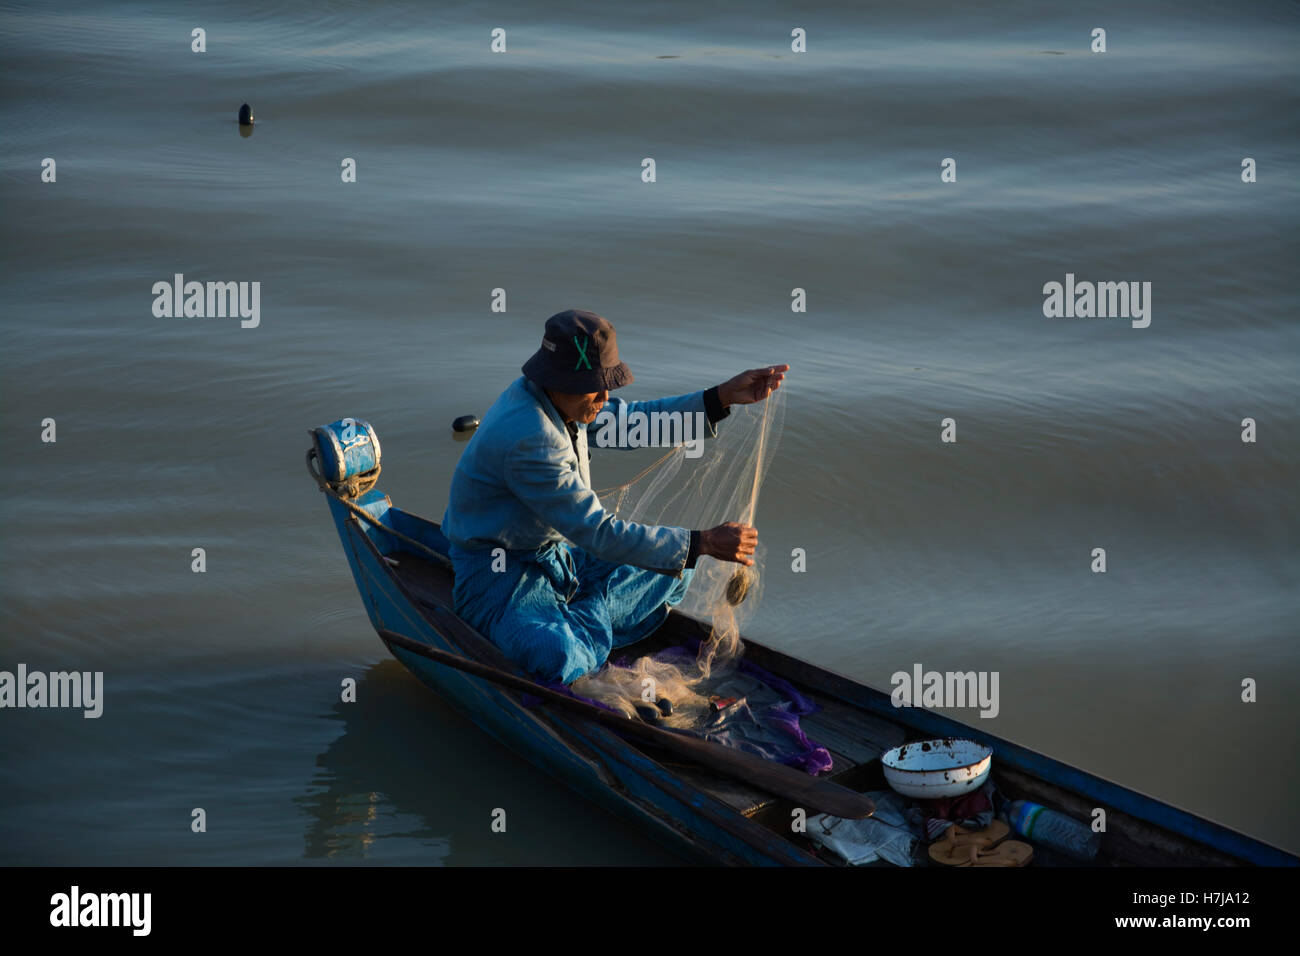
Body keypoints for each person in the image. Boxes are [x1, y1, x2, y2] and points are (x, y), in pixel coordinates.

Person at [442, 308, 787, 684]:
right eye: (596, 386)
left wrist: (720, 397)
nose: (606, 397)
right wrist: (702, 541)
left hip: (560, 556)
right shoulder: (530, 438)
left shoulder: (559, 400)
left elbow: (632, 424)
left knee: (674, 570)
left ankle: (583, 612)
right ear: (560, 380)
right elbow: (598, 533)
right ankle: (586, 616)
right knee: (556, 657)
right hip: (500, 572)